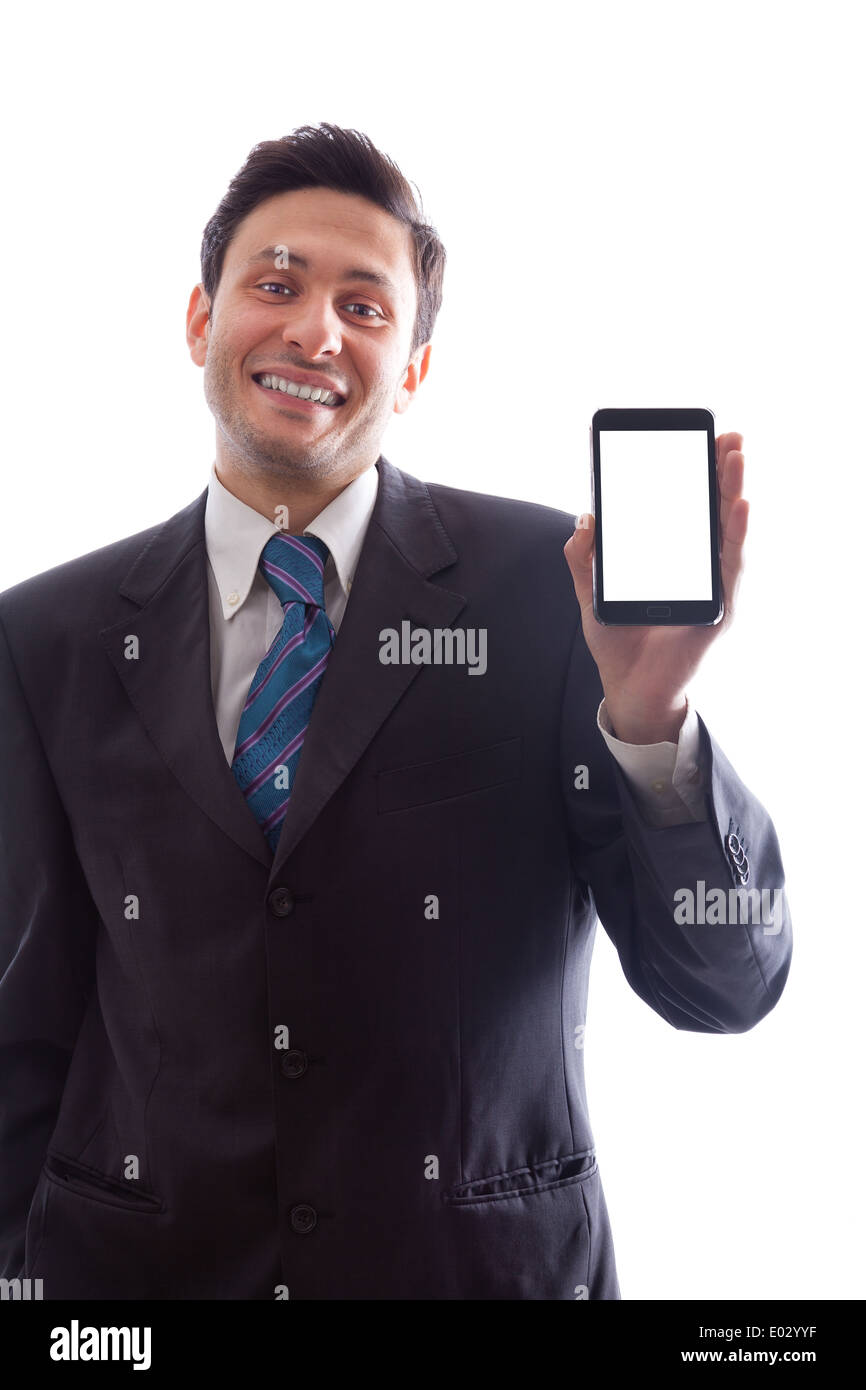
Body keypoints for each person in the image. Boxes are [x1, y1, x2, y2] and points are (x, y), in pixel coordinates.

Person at [0, 122, 791, 1301]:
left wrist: (651, 717)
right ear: (198, 322)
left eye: (365, 308)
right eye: (276, 284)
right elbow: (24, 1035)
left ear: (413, 371)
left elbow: (722, 984)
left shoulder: (551, 590)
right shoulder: (44, 636)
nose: (314, 329)